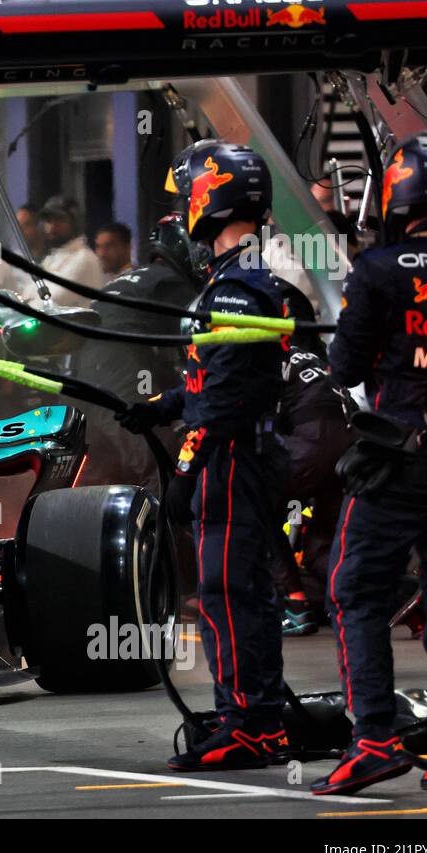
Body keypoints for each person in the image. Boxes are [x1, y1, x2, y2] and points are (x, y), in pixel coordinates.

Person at [313, 133, 427, 795]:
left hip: (401, 455)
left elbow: (348, 368)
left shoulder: (381, 267)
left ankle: (376, 739)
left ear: (400, 191)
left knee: (353, 590)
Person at [117, 141, 287, 771]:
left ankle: (249, 725)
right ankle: (256, 719)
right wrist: (162, 406)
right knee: (238, 594)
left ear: (205, 198)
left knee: (227, 594)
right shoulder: (234, 283)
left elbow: (224, 398)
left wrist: (187, 468)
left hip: (233, 461)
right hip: (234, 456)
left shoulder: (237, 289)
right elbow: (212, 378)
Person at [73, 213, 202, 492]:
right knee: (159, 462)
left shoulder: (133, 279)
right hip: (119, 374)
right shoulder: (173, 284)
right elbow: (198, 352)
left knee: (95, 474)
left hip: (81, 377)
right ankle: (164, 534)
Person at [269, 280, 355, 637]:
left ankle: (295, 605)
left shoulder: (265, 358)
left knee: (253, 507)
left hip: (314, 442)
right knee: (324, 542)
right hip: (353, 444)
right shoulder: (312, 356)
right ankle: (372, 599)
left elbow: (258, 422)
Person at [40, 195, 104, 308]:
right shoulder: (50, 258)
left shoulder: (84, 259)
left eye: (59, 220)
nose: (52, 227)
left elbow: (54, 300)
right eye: (49, 220)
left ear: (75, 223)